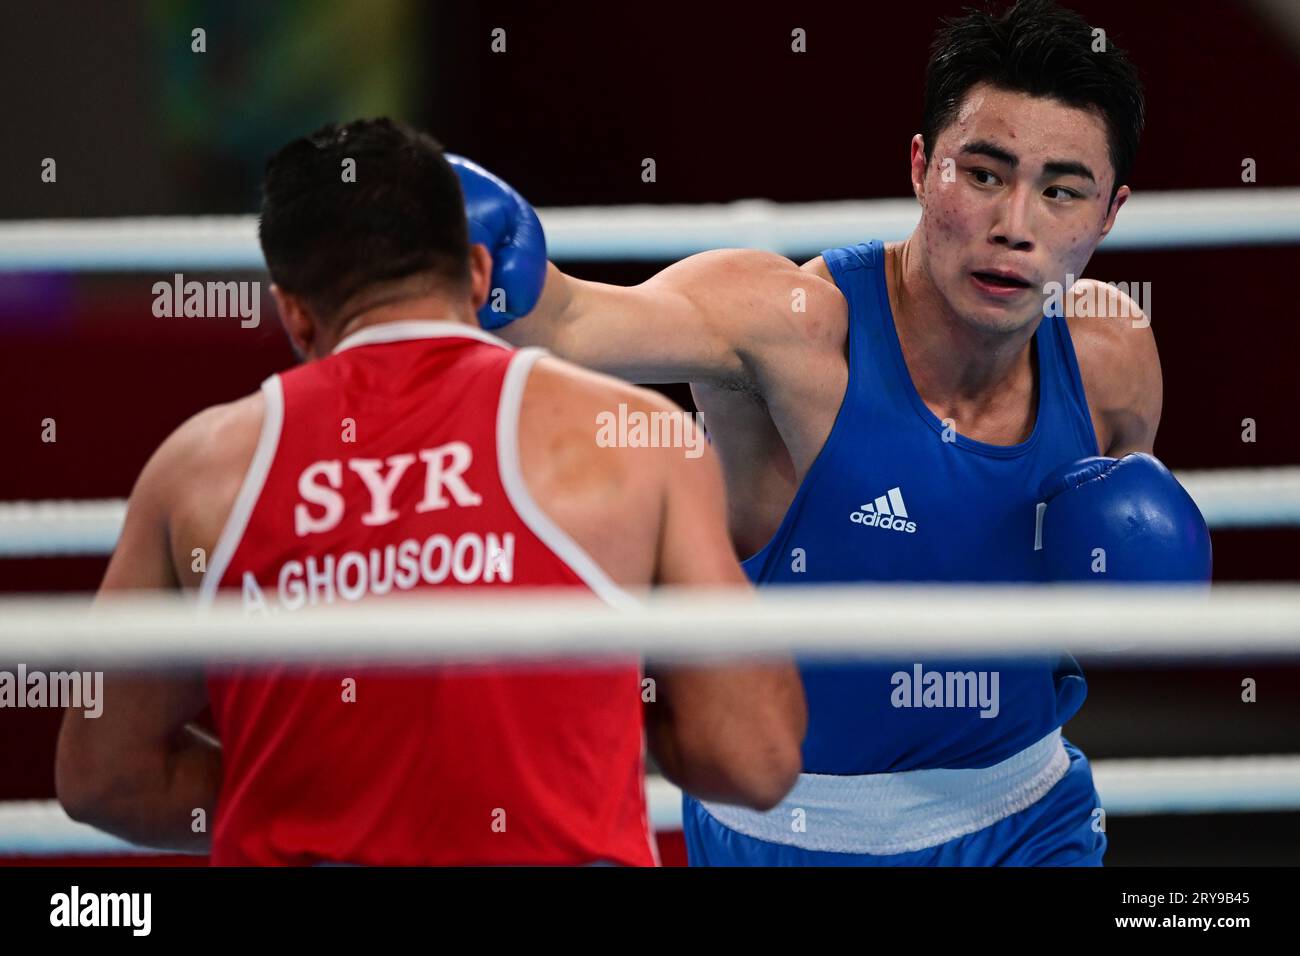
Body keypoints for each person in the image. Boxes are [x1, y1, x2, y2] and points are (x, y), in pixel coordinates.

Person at [452, 0, 1210, 865]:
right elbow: (569, 322)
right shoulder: (790, 327)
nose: (1016, 224)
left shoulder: (1112, 356)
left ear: (1109, 213)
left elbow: (1098, 584)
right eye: (986, 174)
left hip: (1031, 818)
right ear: (923, 168)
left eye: (1062, 191)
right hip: (791, 836)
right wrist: (470, 252)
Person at [54, 119, 806, 866]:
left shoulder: (197, 469)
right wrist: (588, 717)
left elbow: (103, 775)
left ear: (293, 312)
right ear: (480, 273)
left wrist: (307, 808)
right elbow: (755, 758)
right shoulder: (627, 433)